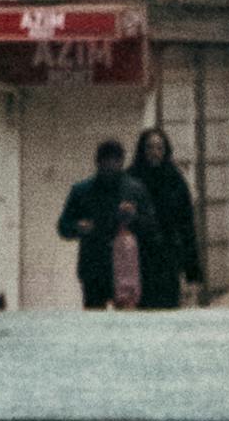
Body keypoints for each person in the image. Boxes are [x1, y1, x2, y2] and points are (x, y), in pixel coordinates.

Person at [127, 120, 204, 310]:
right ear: (142, 150)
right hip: (138, 259)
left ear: (166, 150)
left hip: (167, 259)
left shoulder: (175, 181)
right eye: (150, 147)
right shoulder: (130, 179)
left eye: (159, 147)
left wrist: (192, 271)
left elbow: (186, 226)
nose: (155, 152)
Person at [57, 136, 139, 308]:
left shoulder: (133, 190)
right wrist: (78, 227)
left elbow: (149, 225)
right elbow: (63, 226)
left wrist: (133, 217)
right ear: (98, 163)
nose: (110, 166)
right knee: (94, 320)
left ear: (121, 162)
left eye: (114, 161)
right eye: (105, 162)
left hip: (125, 268)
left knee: (126, 324)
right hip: (93, 268)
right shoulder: (81, 191)